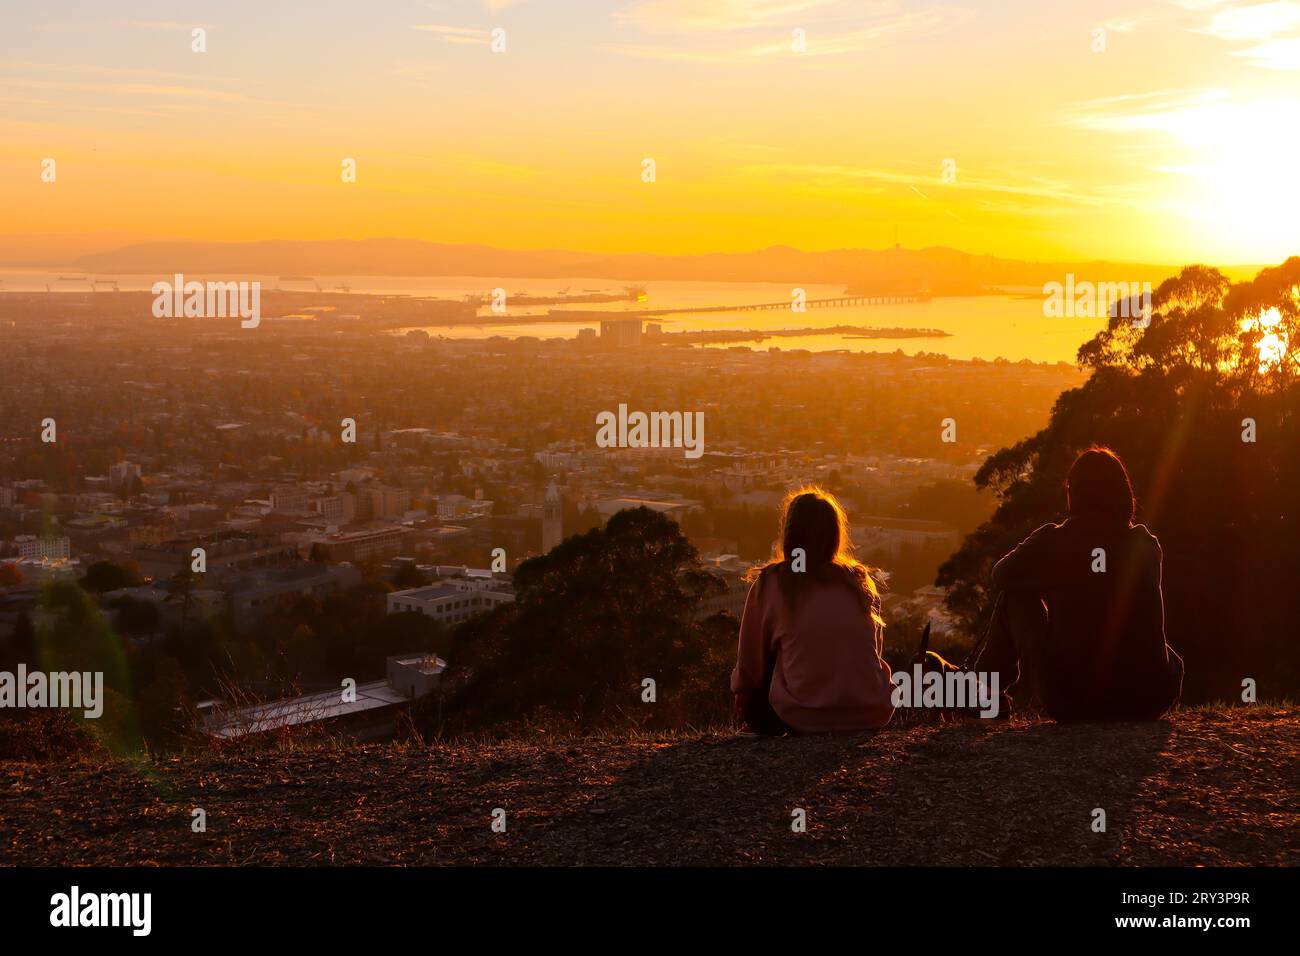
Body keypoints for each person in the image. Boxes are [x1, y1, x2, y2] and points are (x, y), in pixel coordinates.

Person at [976, 446, 1184, 722]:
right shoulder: (1146, 545)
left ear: (1072, 493)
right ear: (1124, 493)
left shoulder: (1054, 540)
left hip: (1074, 703)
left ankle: (982, 692)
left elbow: (1000, 576)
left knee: (1013, 599)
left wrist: (1046, 579)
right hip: (1150, 700)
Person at [731, 487, 895, 735]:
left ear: (790, 535)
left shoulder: (773, 582)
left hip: (802, 716)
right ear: (835, 535)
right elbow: (873, 649)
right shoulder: (859, 581)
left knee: (766, 672)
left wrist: (743, 693)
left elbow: (750, 663)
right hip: (872, 711)